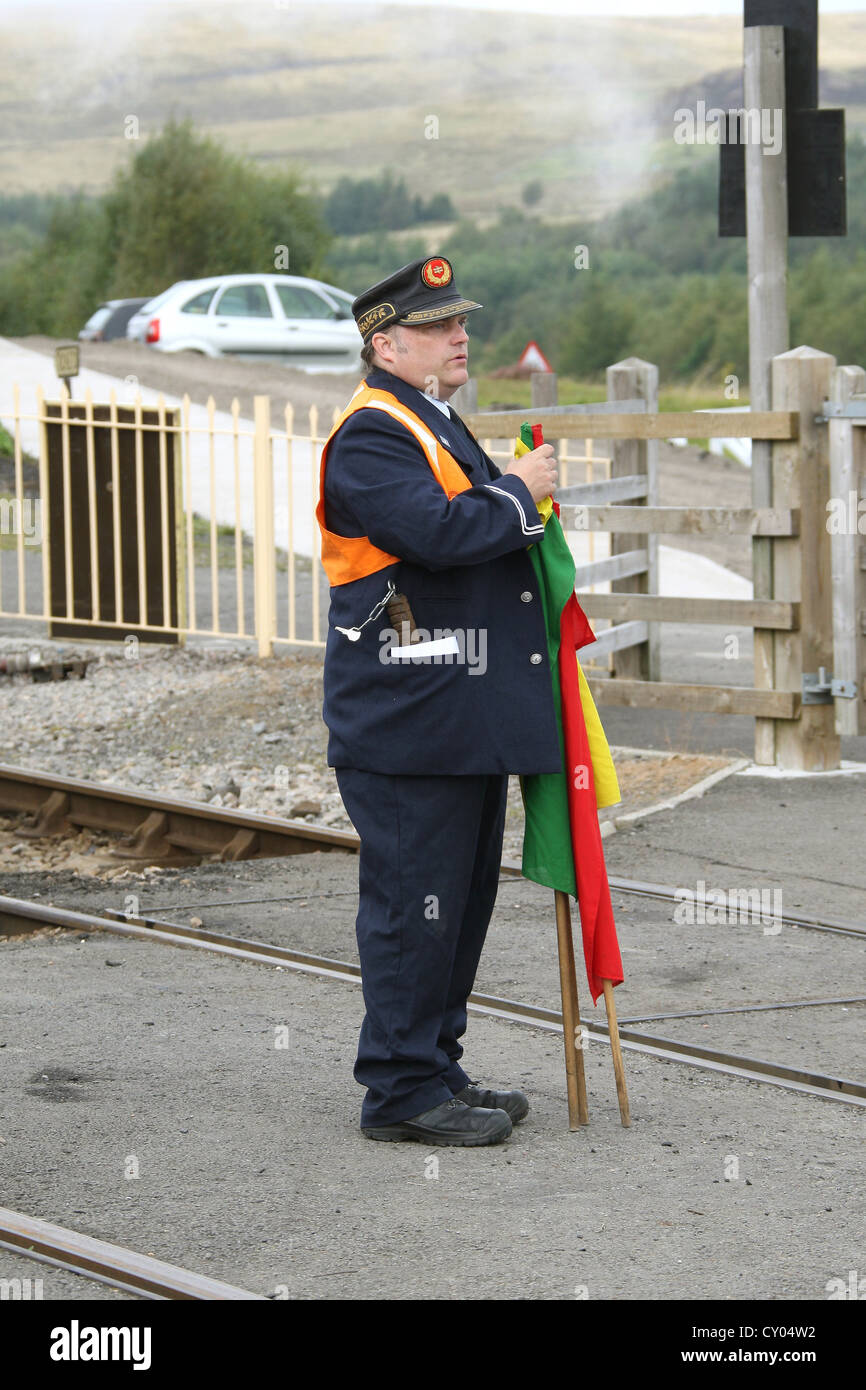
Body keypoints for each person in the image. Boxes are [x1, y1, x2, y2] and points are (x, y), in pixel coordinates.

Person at [316, 256, 560, 1146]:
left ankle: (435, 1064)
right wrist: (521, 494)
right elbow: (440, 533)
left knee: (453, 909)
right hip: (407, 719)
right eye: (438, 326)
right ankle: (400, 1091)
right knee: (411, 907)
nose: (461, 335)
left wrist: (512, 502)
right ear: (386, 344)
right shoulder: (374, 432)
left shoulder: (432, 419)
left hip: (452, 715)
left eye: (461, 322)